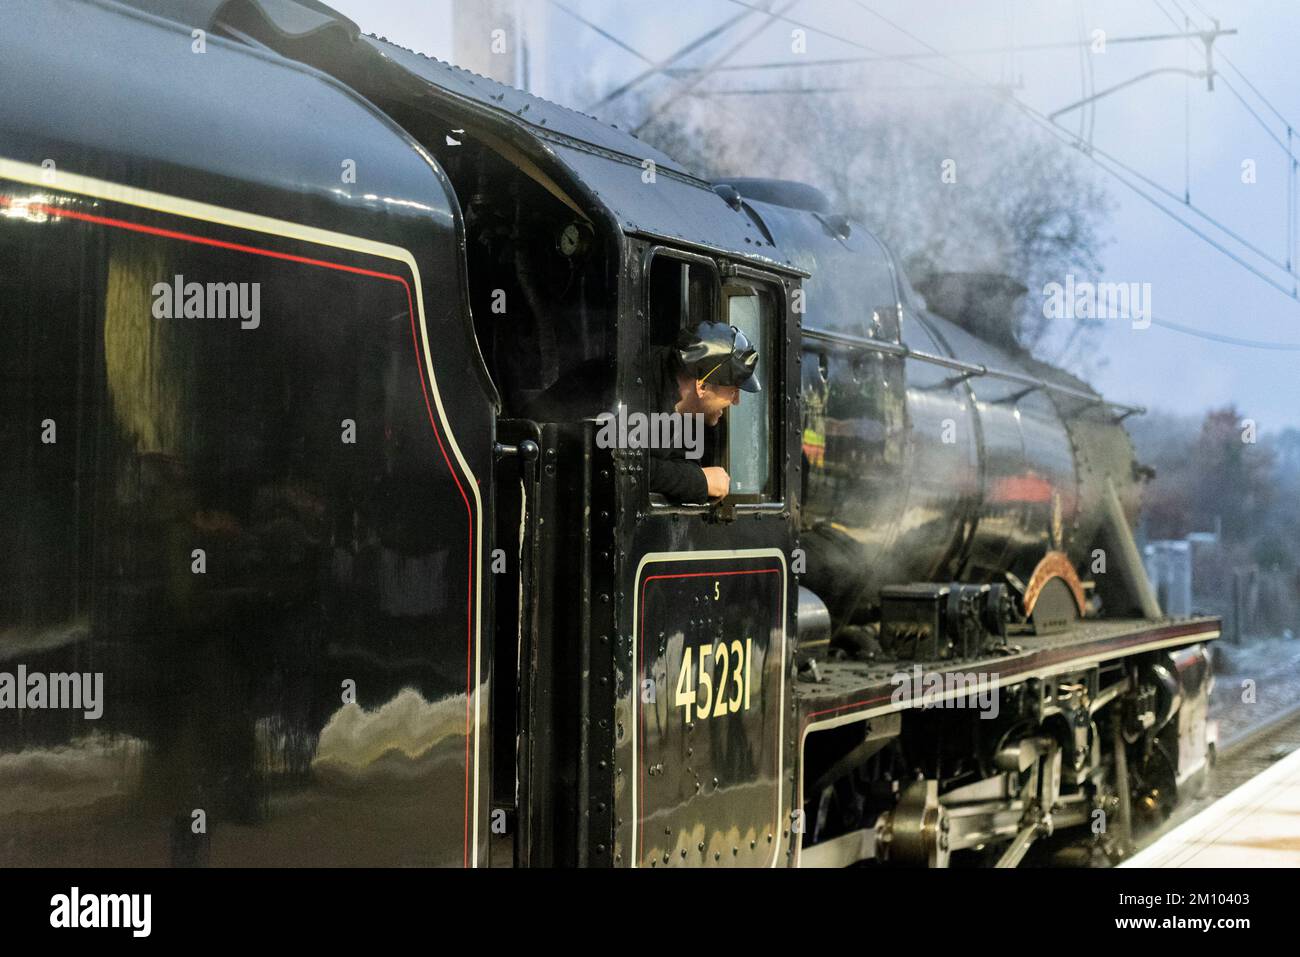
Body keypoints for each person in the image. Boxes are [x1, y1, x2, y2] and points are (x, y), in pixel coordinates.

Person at [647, 322, 760, 503]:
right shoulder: (637, 389)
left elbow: (681, 461)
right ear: (702, 385)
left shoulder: (685, 413)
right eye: (733, 390)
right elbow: (628, 464)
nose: (736, 401)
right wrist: (701, 481)